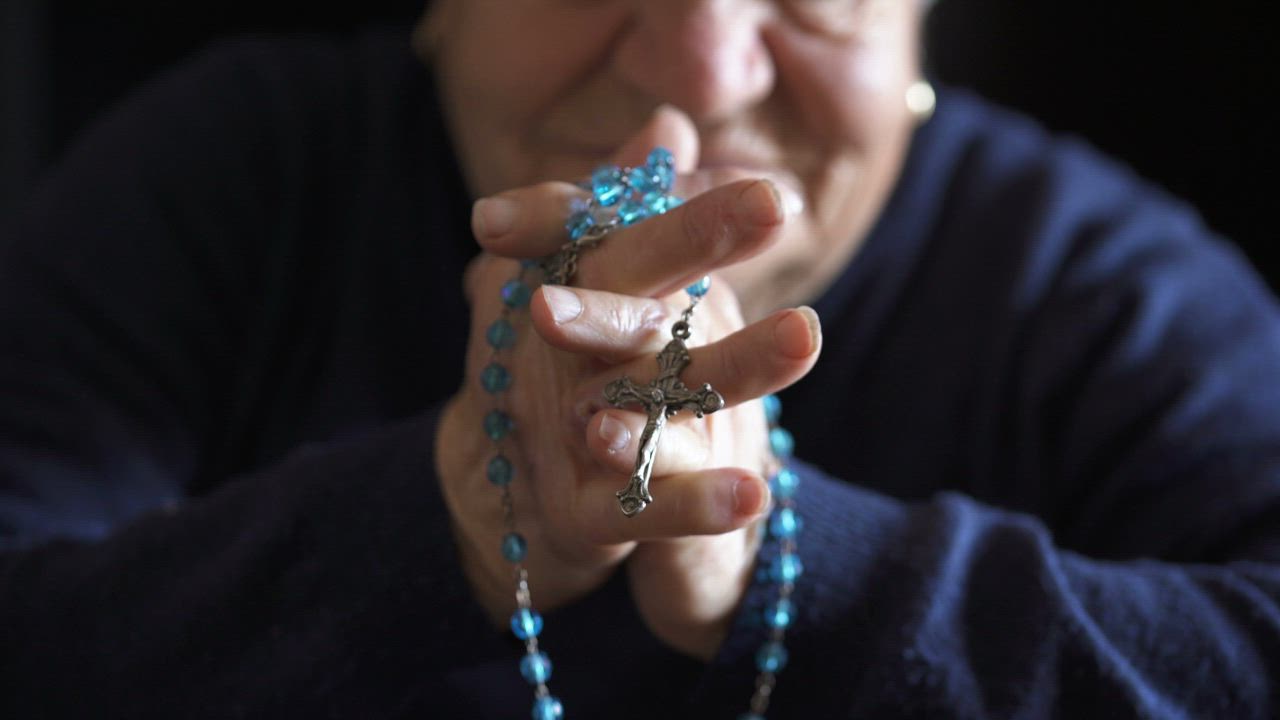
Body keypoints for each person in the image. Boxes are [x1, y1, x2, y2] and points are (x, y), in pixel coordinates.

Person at [2, 1, 1278, 718]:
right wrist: (449, 511)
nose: (703, 66)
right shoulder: (231, 176)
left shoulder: (1092, 277)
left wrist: (786, 565)